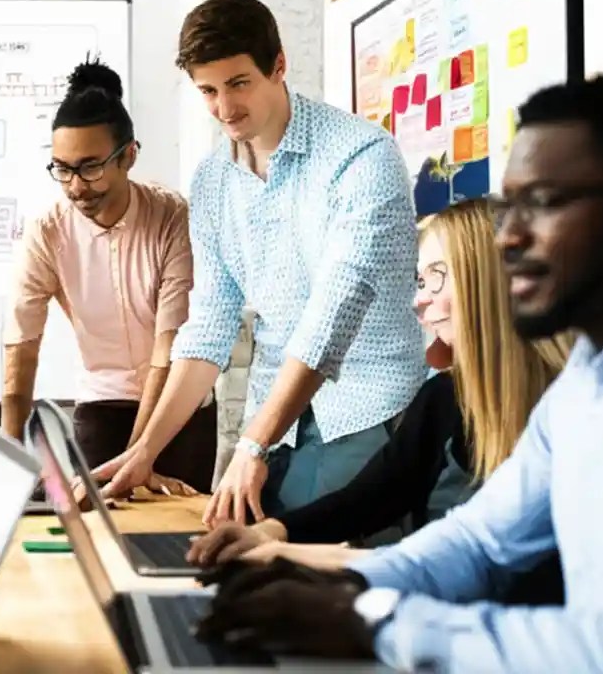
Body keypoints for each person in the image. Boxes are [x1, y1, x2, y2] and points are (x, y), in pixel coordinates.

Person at [192, 74, 603, 672]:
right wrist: (336, 589)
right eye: (508, 206)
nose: (509, 237)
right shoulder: (590, 380)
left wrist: (379, 621)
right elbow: (480, 542)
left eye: (542, 203)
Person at [93, 0, 427, 526]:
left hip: (368, 410)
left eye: (238, 84)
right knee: (253, 575)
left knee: (335, 586)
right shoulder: (213, 180)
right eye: (208, 91)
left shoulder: (362, 157)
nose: (225, 108)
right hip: (277, 427)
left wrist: (251, 445)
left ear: (278, 66)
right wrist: (146, 450)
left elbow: (333, 318)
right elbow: (209, 327)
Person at [186, 198, 573, 605]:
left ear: (487, 283)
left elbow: (490, 571)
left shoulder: (570, 407)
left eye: (436, 278)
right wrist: (270, 534)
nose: (418, 301)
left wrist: (286, 554)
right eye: (419, 282)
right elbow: (373, 497)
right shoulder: (444, 396)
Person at [0, 55, 215, 494]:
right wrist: (8, 448)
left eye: (91, 167)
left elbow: (168, 347)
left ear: (129, 155)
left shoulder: (171, 217)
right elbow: (22, 342)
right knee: (95, 529)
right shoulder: (47, 231)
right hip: (103, 402)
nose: (77, 186)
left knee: (174, 541)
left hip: (179, 409)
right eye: (63, 169)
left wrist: (140, 456)